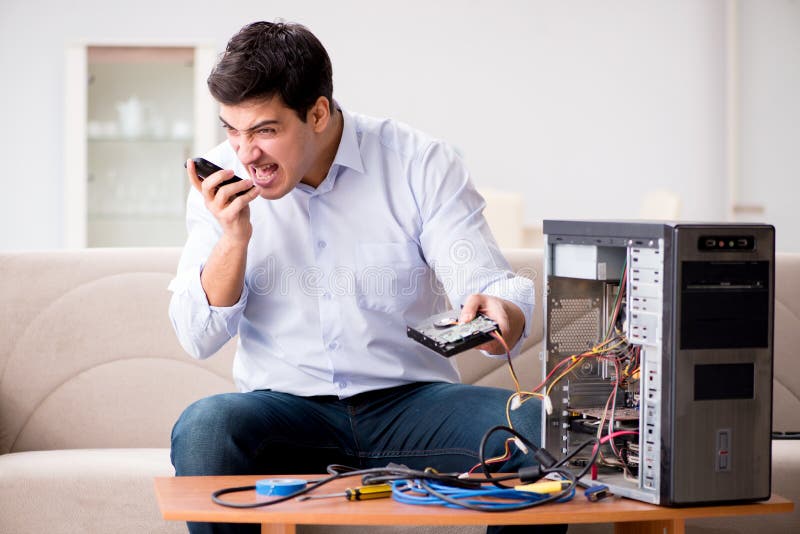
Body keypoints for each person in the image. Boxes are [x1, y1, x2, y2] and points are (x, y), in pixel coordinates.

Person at [168, 20, 567, 534]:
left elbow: (486, 280)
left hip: (411, 404)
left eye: (265, 131)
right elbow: (197, 337)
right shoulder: (220, 183)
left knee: (540, 425)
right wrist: (234, 238)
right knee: (205, 428)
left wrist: (499, 312)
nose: (246, 154)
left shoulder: (417, 163)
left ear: (317, 112)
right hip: (286, 410)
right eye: (232, 130)